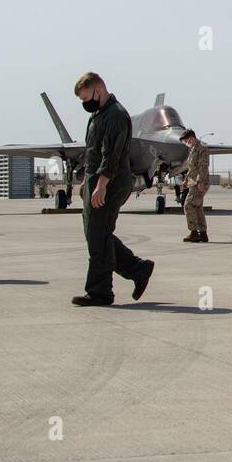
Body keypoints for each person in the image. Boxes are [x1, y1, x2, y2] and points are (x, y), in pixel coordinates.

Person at [72, 72, 154, 306]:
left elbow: (112, 155)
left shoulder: (116, 115)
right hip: (95, 180)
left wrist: (100, 186)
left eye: (87, 97)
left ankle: (100, 292)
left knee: (98, 237)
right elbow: (93, 151)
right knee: (96, 234)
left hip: (111, 181)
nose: (85, 104)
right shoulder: (98, 115)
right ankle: (138, 268)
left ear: (99, 89)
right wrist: (86, 184)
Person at [180, 129, 210, 243]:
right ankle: (203, 233)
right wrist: (186, 180)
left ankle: (193, 233)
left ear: (191, 138)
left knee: (188, 205)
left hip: (199, 183)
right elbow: (192, 167)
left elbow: (203, 166)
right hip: (193, 182)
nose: (186, 143)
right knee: (197, 208)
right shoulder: (193, 149)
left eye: (186, 141)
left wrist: (200, 182)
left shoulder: (202, 148)